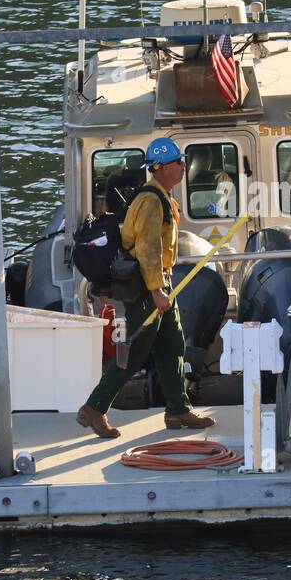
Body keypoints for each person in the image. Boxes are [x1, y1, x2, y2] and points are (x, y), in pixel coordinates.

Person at [76, 137, 214, 439]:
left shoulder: (161, 196)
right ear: (161, 167)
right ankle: (94, 408)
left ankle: (178, 410)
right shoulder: (151, 201)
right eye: (179, 162)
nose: (183, 166)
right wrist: (155, 291)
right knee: (136, 352)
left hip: (159, 283)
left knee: (172, 346)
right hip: (146, 288)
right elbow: (148, 249)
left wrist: (161, 287)